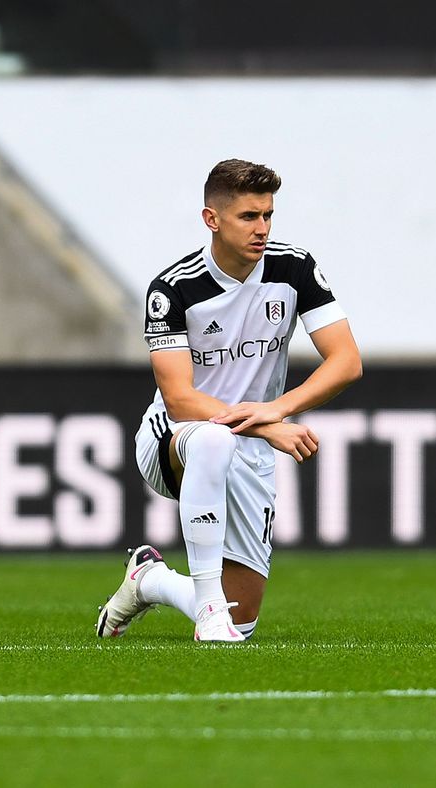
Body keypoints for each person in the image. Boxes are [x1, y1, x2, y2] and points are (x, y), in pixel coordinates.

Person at [96, 159, 362, 642]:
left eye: (267, 215)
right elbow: (178, 398)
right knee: (214, 441)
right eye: (248, 217)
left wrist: (276, 410)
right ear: (211, 219)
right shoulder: (175, 288)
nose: (261, 229)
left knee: (245, 621)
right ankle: (210, 610)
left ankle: (149, 581)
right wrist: (265, 425)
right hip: (175, 439)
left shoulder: (295, 269)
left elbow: (346, 361)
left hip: (253, 448)